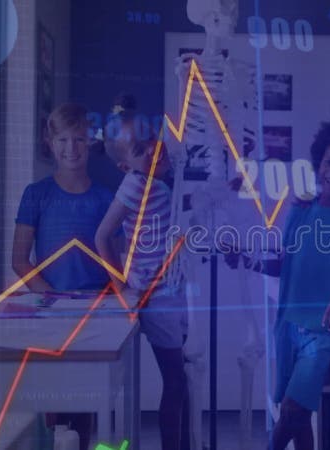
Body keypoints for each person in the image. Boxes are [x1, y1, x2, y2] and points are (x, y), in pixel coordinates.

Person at [226, 120, 330, 450]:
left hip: (322, 331)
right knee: (296, 413)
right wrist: (246, 259)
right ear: (317, 163)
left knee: (294, 409)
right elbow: (285, 263)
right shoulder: (300, 210)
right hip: (287, 325)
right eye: (329, 162)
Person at [11, 103, 113, 450]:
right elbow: (19, 261)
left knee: (84, 401)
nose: (72, 148)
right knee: (50, 398)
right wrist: (51, 297)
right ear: (50, 143)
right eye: (64, 140)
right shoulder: (36, 194)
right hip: (48, 312)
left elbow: (119, 261)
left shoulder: (105, 198)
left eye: (80, 140)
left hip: (94, 313)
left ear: (91, 143)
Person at [94, 111, 188, 450]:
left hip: (167, 289)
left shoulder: (154, 182)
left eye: (151, 139)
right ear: (125, 166)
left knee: (180, 379)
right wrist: (121, 287)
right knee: (176, 380)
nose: (152, 149)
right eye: (140, 149)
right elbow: (103, 235)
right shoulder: (135, 185)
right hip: (155, 295)